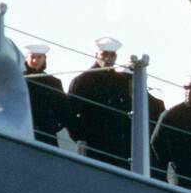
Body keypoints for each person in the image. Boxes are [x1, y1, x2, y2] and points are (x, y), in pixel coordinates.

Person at [67, 36, 134, 168]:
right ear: (97, 54)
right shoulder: (82, 81)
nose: (108, 58)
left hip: (118, 148)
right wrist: (80, 138)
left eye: (112, 55)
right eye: (104, 54)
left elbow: (127, 114)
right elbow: (69, 114)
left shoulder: (121, 83)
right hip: (94, 145)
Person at [21, 43, 68, 147]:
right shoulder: (18, 79)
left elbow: (64, 109)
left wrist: (54, 126)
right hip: (24, 130)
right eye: (32, 57)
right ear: (26, 58)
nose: (35, 61)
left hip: (47, 132)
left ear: (44, 58)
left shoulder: (54, 83)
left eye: (39, 57)